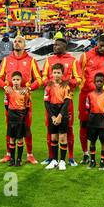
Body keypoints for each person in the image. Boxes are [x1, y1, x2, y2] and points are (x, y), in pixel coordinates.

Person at [0, 34, 42, 163]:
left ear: (24, 45)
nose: (16, 43)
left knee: (26, 126)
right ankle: (9, 154)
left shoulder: (31, 60)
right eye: (15, 41)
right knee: (10, 126)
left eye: (19, 41)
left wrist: (29, 88)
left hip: (25, 100)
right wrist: (5, 86)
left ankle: (30, 154)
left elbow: (39, 79)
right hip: (10, 100)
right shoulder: (6, 60)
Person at [42, 33, 82, 166]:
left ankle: (70, 157)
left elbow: (79, 79)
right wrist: (50, 84)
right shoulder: (49, 60)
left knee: (68, 129)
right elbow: (44, 78)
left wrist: (66, 82)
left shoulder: (73, 61)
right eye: (54, 44)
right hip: (52, 102)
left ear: (64, 46)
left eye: (57, 45)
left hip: (66, 101)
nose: (55, 46)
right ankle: (51, 157)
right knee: (50, 127)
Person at [77, 33, 104, 160]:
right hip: (85, 96)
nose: (103, 49)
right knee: (84, 124)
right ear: (96, 43)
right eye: (101, 46)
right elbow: (79, 74)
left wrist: (103, 90)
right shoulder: (85, 56)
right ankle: (85, 154)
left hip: (101, 98)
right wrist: (85, 87)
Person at [42, 62, 72, 170]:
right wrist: (53, 116)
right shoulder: (48, 86)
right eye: (54, 72)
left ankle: (62, 161)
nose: (56, 75)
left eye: (58, 73)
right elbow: (46, 102)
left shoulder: (66, 86)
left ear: (62, 74)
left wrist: (60, 116)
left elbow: (67, 102)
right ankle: (54, 160)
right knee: (53, 137)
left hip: (62, 112)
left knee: (63, 137)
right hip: (52, 112)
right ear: (52, 74)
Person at [83, 72, 104, 170]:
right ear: (94, 83)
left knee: (103, 142)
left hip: (103, 122)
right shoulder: (90, 95)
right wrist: (93, 115)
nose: (99, 83)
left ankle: (103, 161)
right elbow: (87, 108)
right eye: (97, 81)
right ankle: (92, 161)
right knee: (92, 141)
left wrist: (103, 116)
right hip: (92, 121)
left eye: (101, 81)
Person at [4, 72, 30, 167]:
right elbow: (6, 104)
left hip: (21, 117)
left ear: (21, 81)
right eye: (14, 80)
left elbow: (27, 105)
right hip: (11, 117)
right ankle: (12, 159)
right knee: (11, 138)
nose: (15, 82)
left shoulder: (25, 92)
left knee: (19, 138)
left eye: (18, 80)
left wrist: (22, 114)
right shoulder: (8, 91)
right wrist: (11, 112)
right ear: (11, 80)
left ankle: (18, 159)